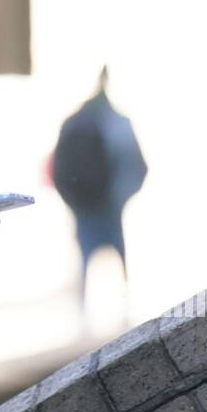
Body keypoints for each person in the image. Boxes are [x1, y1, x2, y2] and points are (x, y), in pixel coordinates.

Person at [51, 66, 147, 324]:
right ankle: (123, 313)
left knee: (85, 263)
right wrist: (120, 198)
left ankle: (81, 320)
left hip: (84, 206)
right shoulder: (118, 123)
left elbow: (57, 169)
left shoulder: (73, 122)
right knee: (118, 261)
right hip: (109, 206)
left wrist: (73, 202)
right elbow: (138, 166)